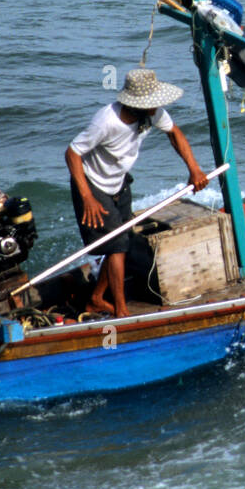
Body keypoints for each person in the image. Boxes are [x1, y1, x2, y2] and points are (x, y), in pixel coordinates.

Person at [65, 67, 209, 318]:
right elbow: (73, 153)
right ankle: (121, 311)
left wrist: (194, 169)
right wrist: (87, 197)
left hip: (119, 183)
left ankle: (97, 299)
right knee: (117, 246)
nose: (158, 106)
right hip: (94, 185)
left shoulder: (152, 114)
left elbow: (175, 133)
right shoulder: (106, 121)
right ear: (138, 105)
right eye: (152, 102)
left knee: (123, 240)